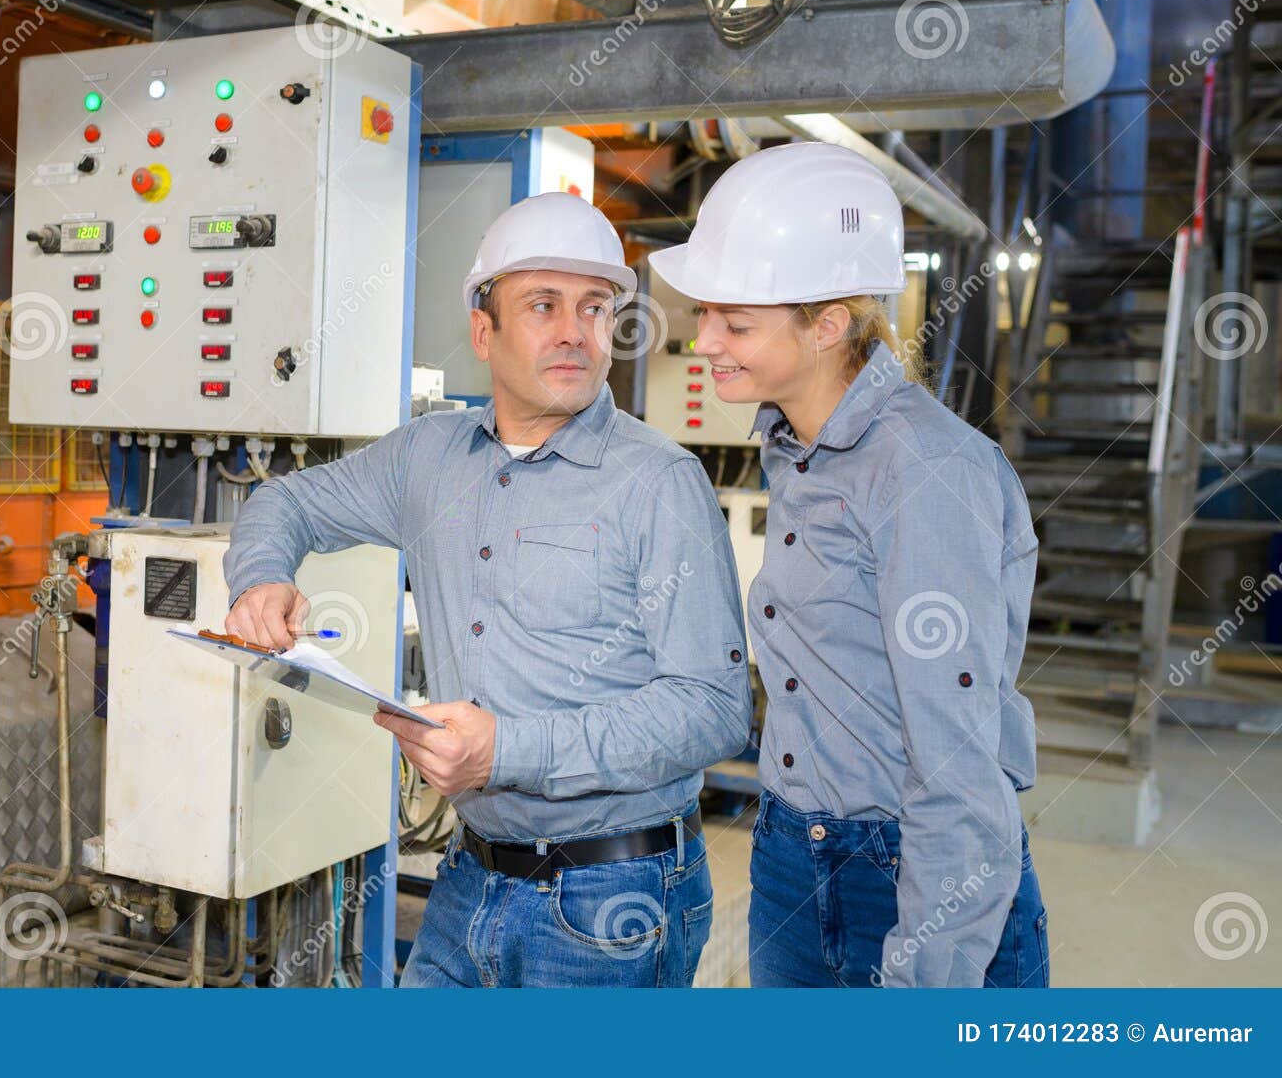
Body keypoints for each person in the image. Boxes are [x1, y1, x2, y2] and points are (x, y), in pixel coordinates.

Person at [223, 192, 753, 988]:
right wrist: (263, 575)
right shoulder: (427, 458)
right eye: (543, 305)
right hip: (471, 876)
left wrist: (507, 749)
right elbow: (284, 502)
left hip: (615, 895)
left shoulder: (658, 482)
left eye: (595, 307)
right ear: (483, 330)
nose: (574, 330)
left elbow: (713, 707)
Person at [649, 141, 1048, 988]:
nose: (704, 339)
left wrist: (927, 974)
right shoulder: (795, 448)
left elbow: (958, 766)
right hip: (791, 855)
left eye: (736, 322)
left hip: (906, 875)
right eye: (706, 313)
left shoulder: (923, 472)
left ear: (829, 325)